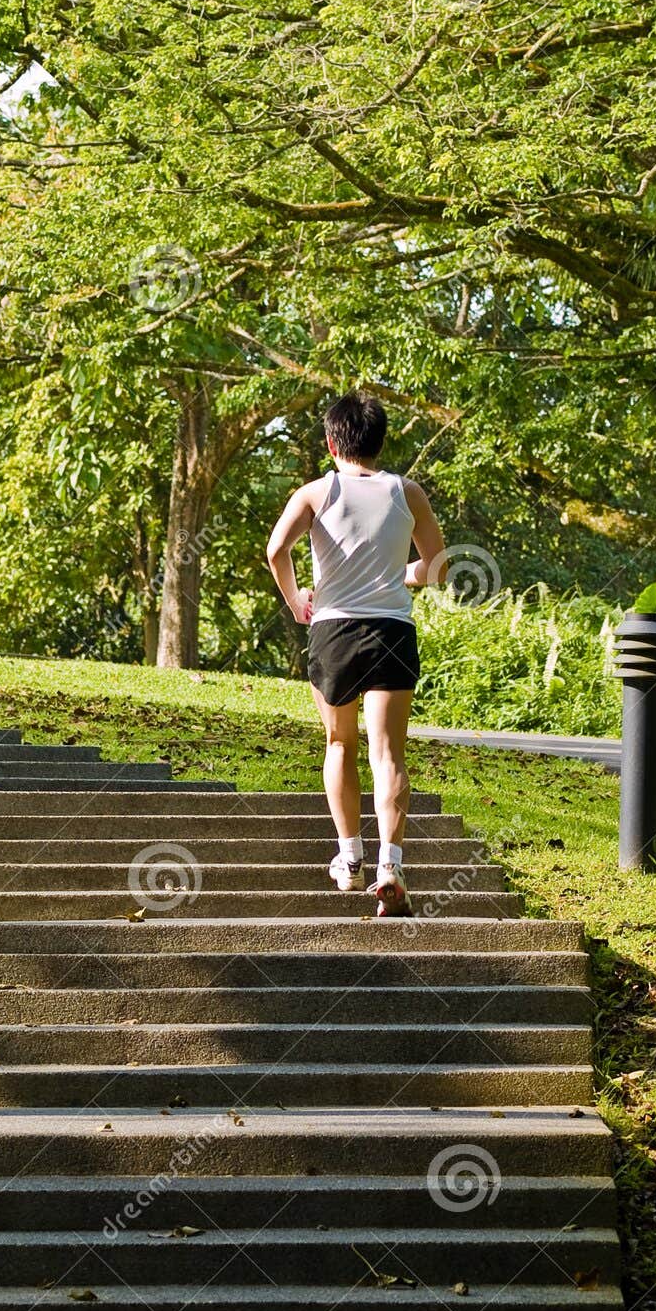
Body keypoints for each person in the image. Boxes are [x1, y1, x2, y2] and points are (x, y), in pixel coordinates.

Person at [266, 392, 446, 917]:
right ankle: (390, 865)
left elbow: (277, 551)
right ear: (380, 442)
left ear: (330, 442)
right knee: (388, 752)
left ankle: (350, 859)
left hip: (334, 631)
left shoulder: (316, 492)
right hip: (392, 629)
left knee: (340, 743)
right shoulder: (406, 492)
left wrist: (298, 599)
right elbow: (437, 567)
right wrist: (401, 575)